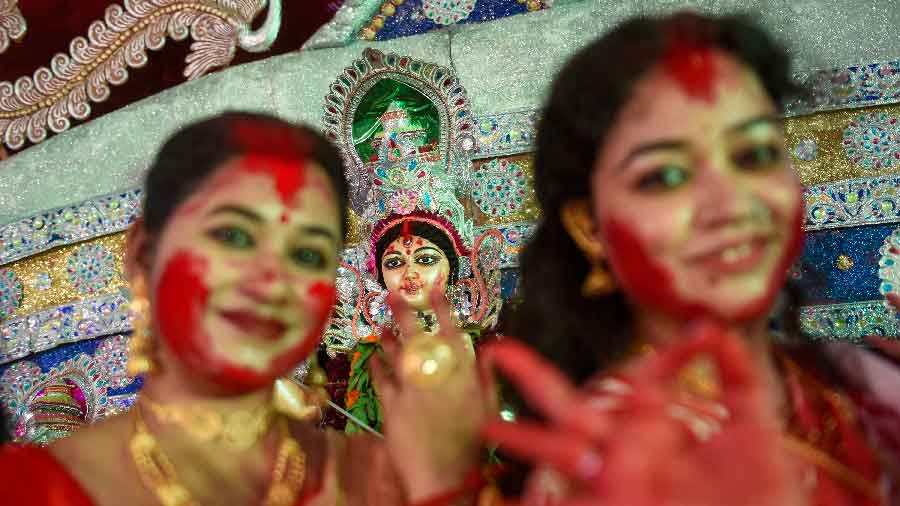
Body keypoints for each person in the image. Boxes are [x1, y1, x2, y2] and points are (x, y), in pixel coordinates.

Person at [482, 12, 900, 506]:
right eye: (665, 177)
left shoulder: (861, 387)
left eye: (755, 156)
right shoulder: (604, 467)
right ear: (589, 228)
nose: (732, 202)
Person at [0, 112, 491, 505]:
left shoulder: (384, 482)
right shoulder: (30, 490)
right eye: (232, 236)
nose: (270, 281)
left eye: (307, 253)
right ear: (144, 256)